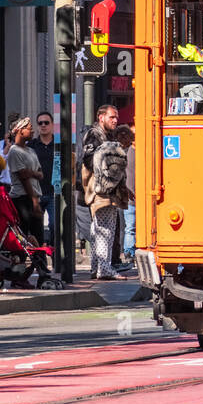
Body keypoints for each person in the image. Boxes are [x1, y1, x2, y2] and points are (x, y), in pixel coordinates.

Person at [80, 105, 127, 279]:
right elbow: (88, 160)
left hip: (105, 187)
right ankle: (104, 268)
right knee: (105, 229)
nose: (115, 120)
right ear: (101, 117)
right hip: (101, 189)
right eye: (111, 117)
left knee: (99, 228)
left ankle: (97, 267)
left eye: (116, 117)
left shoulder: (105, 135)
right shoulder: (95, 134)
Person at [5, 117, 44, 245]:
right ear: (20, 131)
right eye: (29, 128)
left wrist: (31, 173)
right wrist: (34, 201)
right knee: (24, 234)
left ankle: (39, 263)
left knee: (38, 235)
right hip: (22, 198)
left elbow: (40, 174)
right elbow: (23, 178)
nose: (33, 131)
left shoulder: (31, 150)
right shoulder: (14, 151)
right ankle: (23, 262)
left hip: (35, 195)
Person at [27, 111, 58, 267]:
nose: (43, 125)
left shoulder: (58, 144)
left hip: (53, 192)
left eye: (46, 122)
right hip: (36, 193)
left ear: (52, 125)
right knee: (37, 229)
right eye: (40, 123)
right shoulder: (31, 145)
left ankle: (54, 255)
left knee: (54, 225)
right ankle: (40, 262)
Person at [116, 124, 136, 265]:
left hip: (143, 197)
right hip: (129, 197)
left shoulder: (145, 150)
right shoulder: (124, 152)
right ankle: (129, 252)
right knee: (130, 227)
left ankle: (130, 251)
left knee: (130, 227)